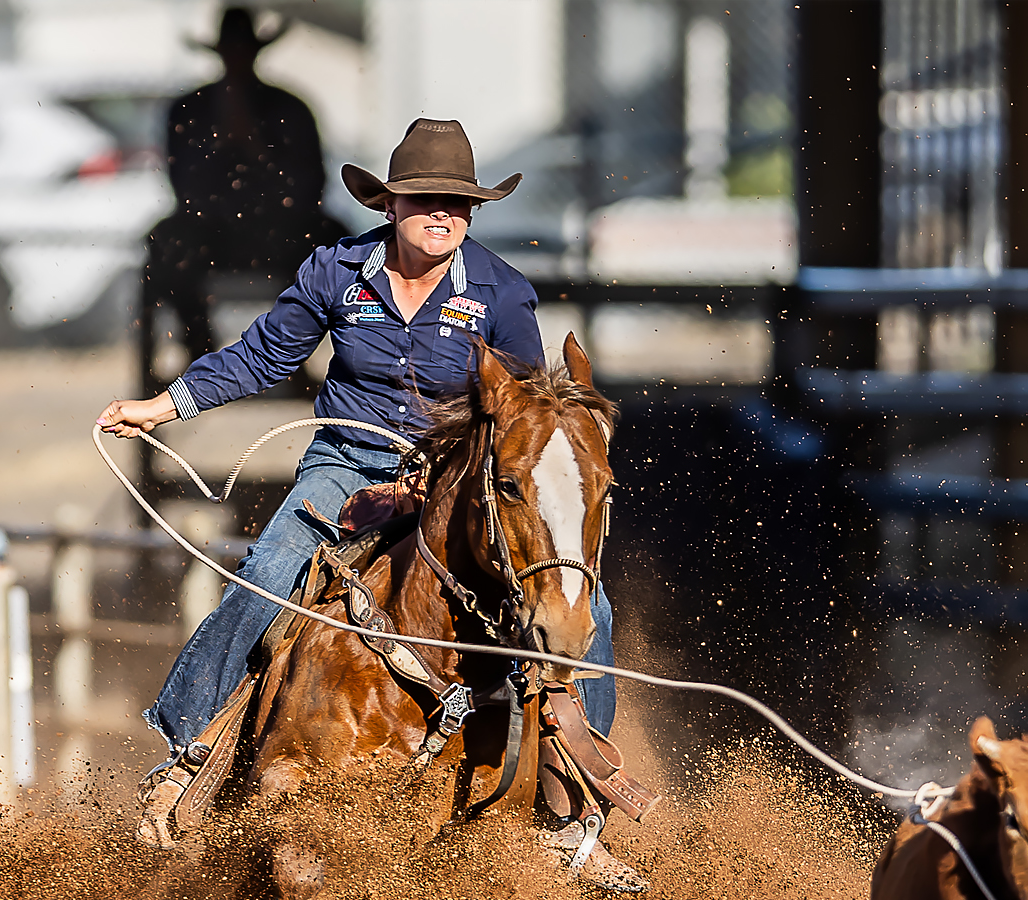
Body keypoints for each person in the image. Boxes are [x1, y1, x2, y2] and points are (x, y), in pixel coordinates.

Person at [100, 119, 632, 885]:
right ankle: (186, 754)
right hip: (346, 463)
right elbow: (264, 353)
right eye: (424, 199)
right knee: (271, 567)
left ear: (474, 211)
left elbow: (519, 410)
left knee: (591, 610)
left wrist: (452, 476)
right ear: (390, 204)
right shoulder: (335, 272)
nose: (441, 213)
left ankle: (578, 811)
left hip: (458, 476)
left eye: (458, 201)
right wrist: (164, 406)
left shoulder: (502, 293)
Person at [147, 6, 344, 361]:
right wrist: (222, 147)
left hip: (281, 230)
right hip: (212, 233)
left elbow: (309, 186)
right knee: (166, 241)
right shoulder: (190, 110)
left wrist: (256, 148)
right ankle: (199, 350)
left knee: (336, 243)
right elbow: (185, 190)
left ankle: (295, 351)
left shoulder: (290, 107)